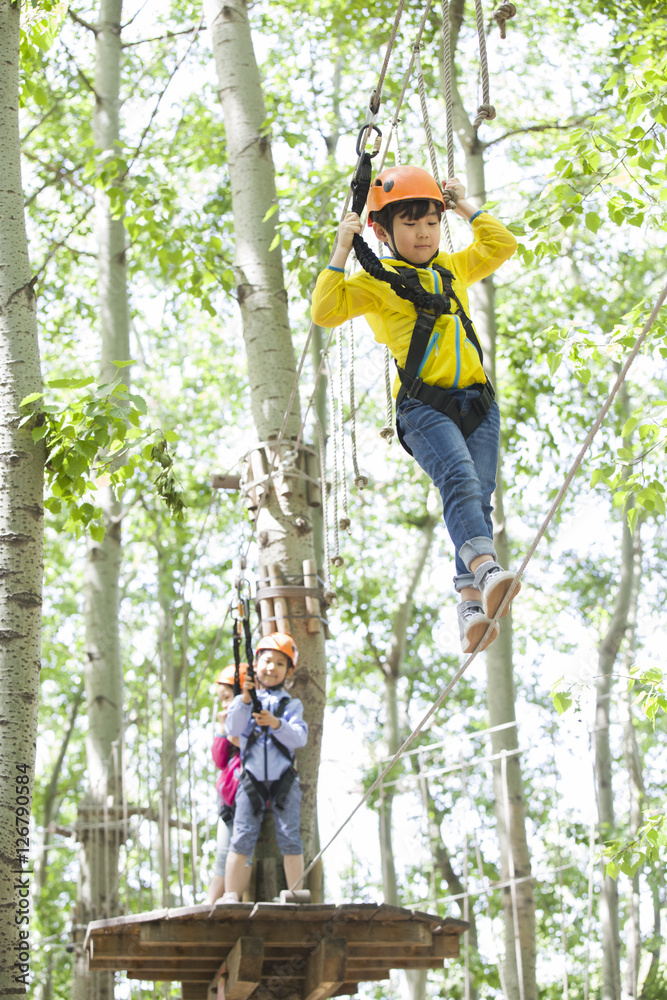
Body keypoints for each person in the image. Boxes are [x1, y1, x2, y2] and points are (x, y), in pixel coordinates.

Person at [311, 166, 520, 654]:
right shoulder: (378, 283)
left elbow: (501, 244)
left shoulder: (451, 267)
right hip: (425, 407)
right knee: (461, 482)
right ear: (384, 232)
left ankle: (470, 600)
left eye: (431, 222)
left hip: (479, 402)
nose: (424, 233)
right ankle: (486, 567)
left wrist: (462, 204)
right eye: (411, 224)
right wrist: (344, 245)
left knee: (476, 498)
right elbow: (325, 311)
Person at [220, 632, 308, 903]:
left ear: (288, 670)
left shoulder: (290, 705)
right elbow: (232, 729)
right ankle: (231, 893)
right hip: (251, 779)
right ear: (256, 665)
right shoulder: (244, 702)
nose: (272, 668)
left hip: (283, 779)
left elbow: (300, 737)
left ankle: (295, 891)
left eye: (280, 663)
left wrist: (276, 723)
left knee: (290, 835)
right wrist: (245, 699)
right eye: (267, 661)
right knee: (242, 835)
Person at [206, 663, 250, 905]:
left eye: (227, 697)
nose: (224, 705)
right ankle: (209, 904)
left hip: (247, 794)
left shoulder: (252, 720)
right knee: (222, 855)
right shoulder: (228, 729)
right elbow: (219, 759)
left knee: (243, 851)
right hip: (228, 800)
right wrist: (223, 729)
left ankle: (231, 898)